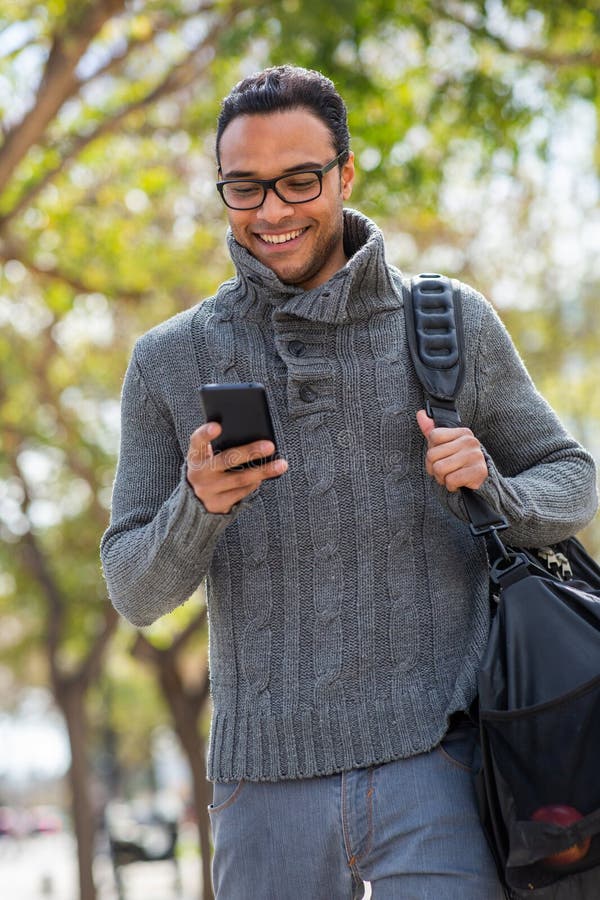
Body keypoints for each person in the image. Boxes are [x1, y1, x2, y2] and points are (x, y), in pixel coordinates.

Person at [101, 65, 598, 899]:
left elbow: (574, 479)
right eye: (244, 188)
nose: (272, 212)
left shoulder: (451, 323)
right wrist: (199, 508)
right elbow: (134, 588)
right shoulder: (167, 360)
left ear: (345, 173)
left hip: (442, 763)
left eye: (300, 181)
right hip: (262, 790)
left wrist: (498, 491)